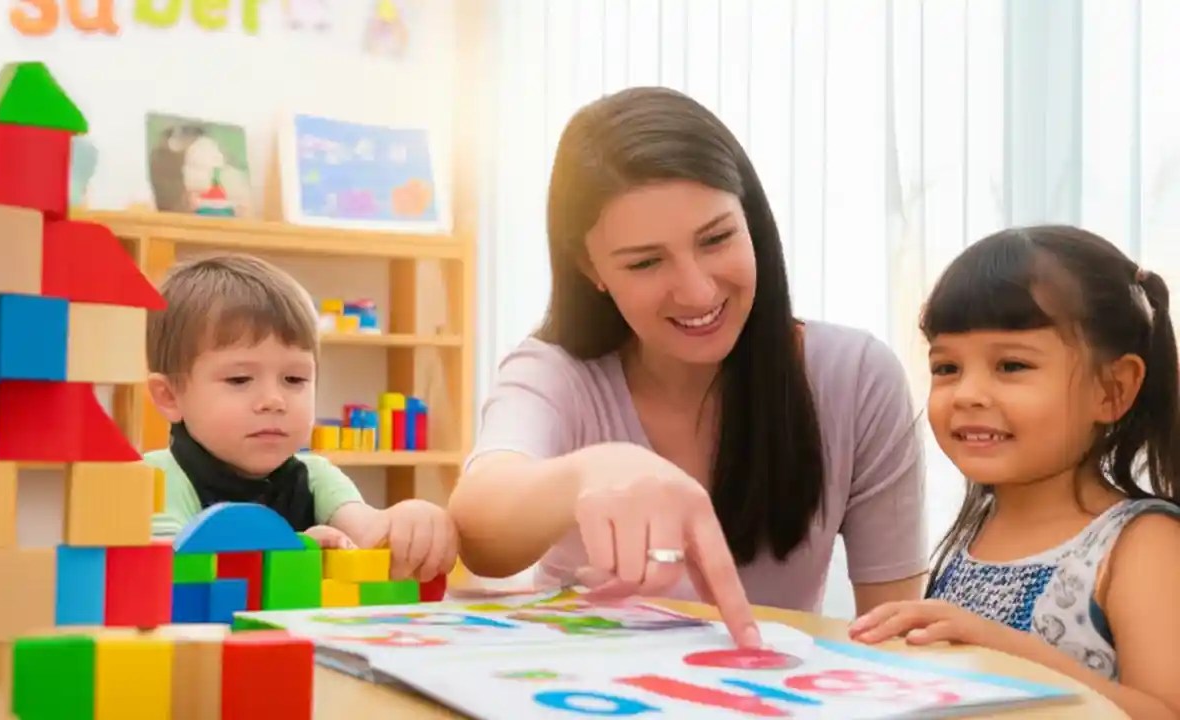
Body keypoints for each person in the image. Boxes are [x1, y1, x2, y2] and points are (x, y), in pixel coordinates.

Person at [447, 86, 928, 648]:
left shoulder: (857, 378)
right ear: (590, 267)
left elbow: (895, 635)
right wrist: (591, 471)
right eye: (647, 262)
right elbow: (480, 525)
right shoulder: (557, 372)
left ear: (750, 219)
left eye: (717, 238)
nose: (697, 292)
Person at [848, 226, 1180, 717]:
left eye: (1011, 366)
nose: (967, 394)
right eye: (947, 368)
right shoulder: (976, 531)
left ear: (1112, 390)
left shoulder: (1142, 543)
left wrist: (1004, 652)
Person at [145, 253, 457, 583]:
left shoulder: (316, 476)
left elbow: (370, 534)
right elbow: (172, 568)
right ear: (169, 396)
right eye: (239, 380)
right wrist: (298, 550)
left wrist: (409, 522)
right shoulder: (154, 479)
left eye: (294, 380)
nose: (274, 400)